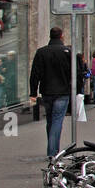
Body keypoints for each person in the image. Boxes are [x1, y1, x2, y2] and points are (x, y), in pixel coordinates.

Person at [28, 27, 72, 159]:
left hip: (47, 91)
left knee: (50, 120)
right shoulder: (67, 52)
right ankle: (53, 152)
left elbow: (35, 73)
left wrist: (33, 92)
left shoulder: (41, 52)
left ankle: (53, 148)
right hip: (63, 91)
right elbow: (73, 73)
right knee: (57, 120)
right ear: (61, 36)